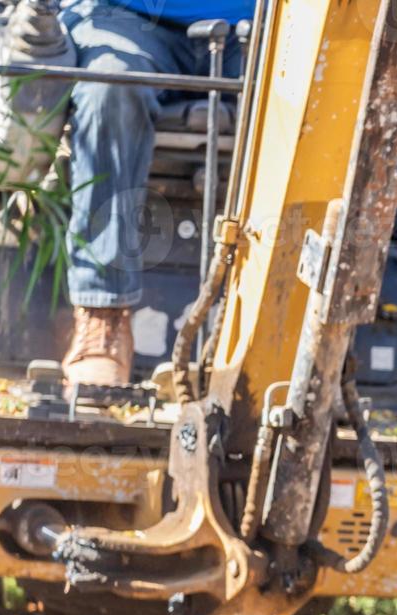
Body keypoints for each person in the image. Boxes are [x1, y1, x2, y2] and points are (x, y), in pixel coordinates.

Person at [58, 0, 250, 385]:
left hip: (268, 25)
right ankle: (103, 320)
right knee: (109, 89)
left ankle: (291, 326)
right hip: (126, 20)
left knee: (319, 97)